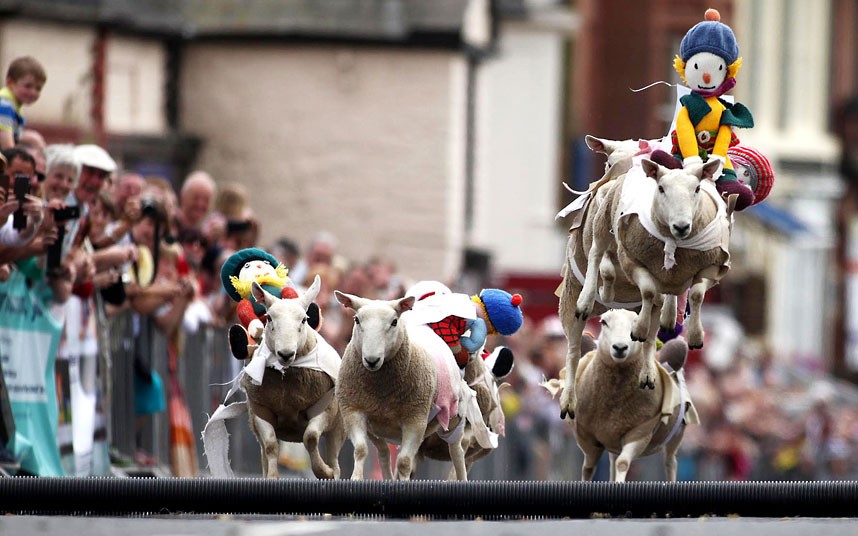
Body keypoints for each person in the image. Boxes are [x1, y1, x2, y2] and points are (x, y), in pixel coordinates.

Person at [0, 56, 46, 150]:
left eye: (38, 88)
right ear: (10, 83)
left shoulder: (13, 106)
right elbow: (8, 147)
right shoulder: (4, 106)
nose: (33, 92)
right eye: (28, 86)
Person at [176, 170, 216, 235]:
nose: (200, 204)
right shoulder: (171, 226)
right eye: (195, 198)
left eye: (206, 200)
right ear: (182, 196)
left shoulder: (206, 232)